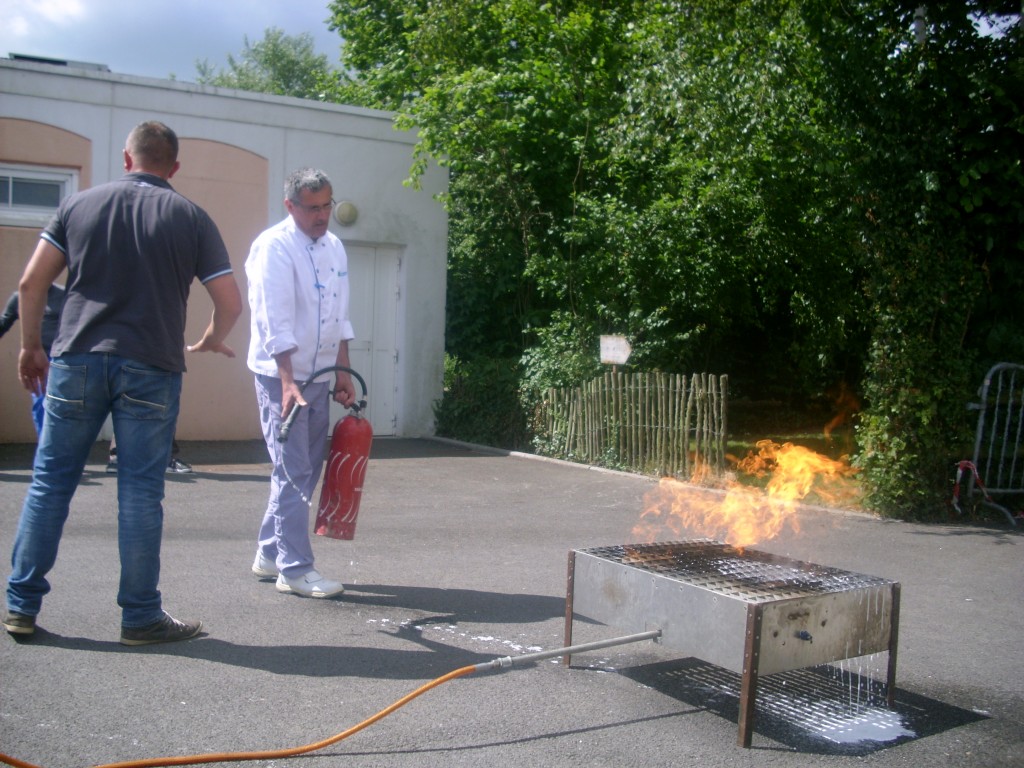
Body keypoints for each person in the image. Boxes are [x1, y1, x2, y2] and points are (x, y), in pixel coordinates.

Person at [3, 121, 242, 644]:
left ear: (127, 158)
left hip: (77, 359)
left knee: (50, 483)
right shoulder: (191, 217)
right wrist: (210, 338)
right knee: (139, 493)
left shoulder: (78, 205)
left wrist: (30, 347)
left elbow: (31, 281)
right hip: (151, 365)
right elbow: (230, 301)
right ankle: (139, 616)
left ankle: (21, 606)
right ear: (173, 167)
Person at [246, 167, 355, 599]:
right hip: (281, 377)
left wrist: (343, 370)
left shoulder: (335, 247)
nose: (321, 215)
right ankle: (294, 569)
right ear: (290, 206)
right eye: (312, 208)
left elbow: (339, 315)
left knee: (305, 468)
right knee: (293, 470)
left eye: (327, 205)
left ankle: (270, 551)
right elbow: (272, 319)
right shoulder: (273, 246)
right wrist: (287, 381)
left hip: (319, 375)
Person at [0, 284, 65, 435]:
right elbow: (3, 323)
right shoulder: (20, 298)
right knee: (41, 405)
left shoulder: (64, 296)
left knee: (63, 407)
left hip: (63, 361)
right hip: (38, 363)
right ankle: (45, 444)